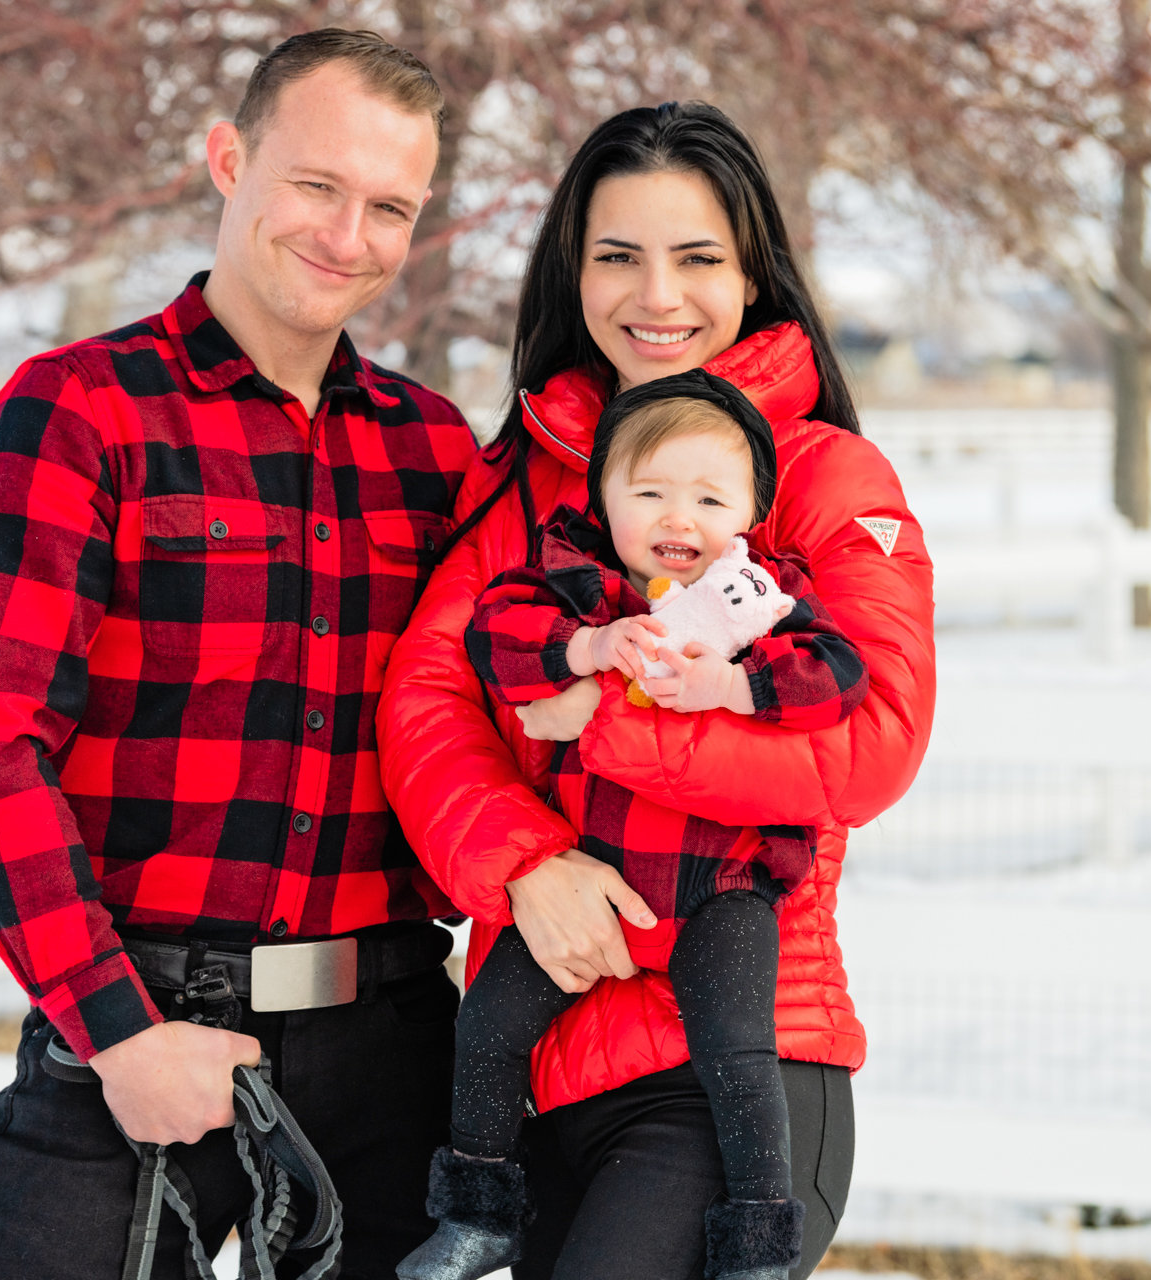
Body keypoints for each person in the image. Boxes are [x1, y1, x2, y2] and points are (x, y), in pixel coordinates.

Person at [0, 28, 479, 1280]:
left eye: (389, 206)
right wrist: (121, 1033)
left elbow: (486, 725)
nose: (349, 235)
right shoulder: (78, 409)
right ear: (229, 159)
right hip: (137, 1024)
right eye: (318, 185)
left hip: (389, 1041)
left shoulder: (437, 453)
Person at [378, 101, 935, 1280]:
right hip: (544, 1062)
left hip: (736, 1061)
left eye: (698, 258)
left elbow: (873, 741)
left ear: (754, 274)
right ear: (571, 275)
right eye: (617, 256)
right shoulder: (528, 479)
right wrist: (525, 861)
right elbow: (428, 700)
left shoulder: (828, 476)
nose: (657, 295)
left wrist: (614, 719)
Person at [399, 375, 868, 1280]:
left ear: (750, 512)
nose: (677, 517)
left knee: (737, 1050)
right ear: (603, 495)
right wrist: (590, 650)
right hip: (596, 880)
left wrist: (731, 687)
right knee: (490, 1025)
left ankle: (760, 1242)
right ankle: (479, 1211)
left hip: (721, 886)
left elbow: (837, 677)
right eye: (648, 491)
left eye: (708, 498)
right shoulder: (577, 585)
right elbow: (493, 635)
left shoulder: (761, 601)